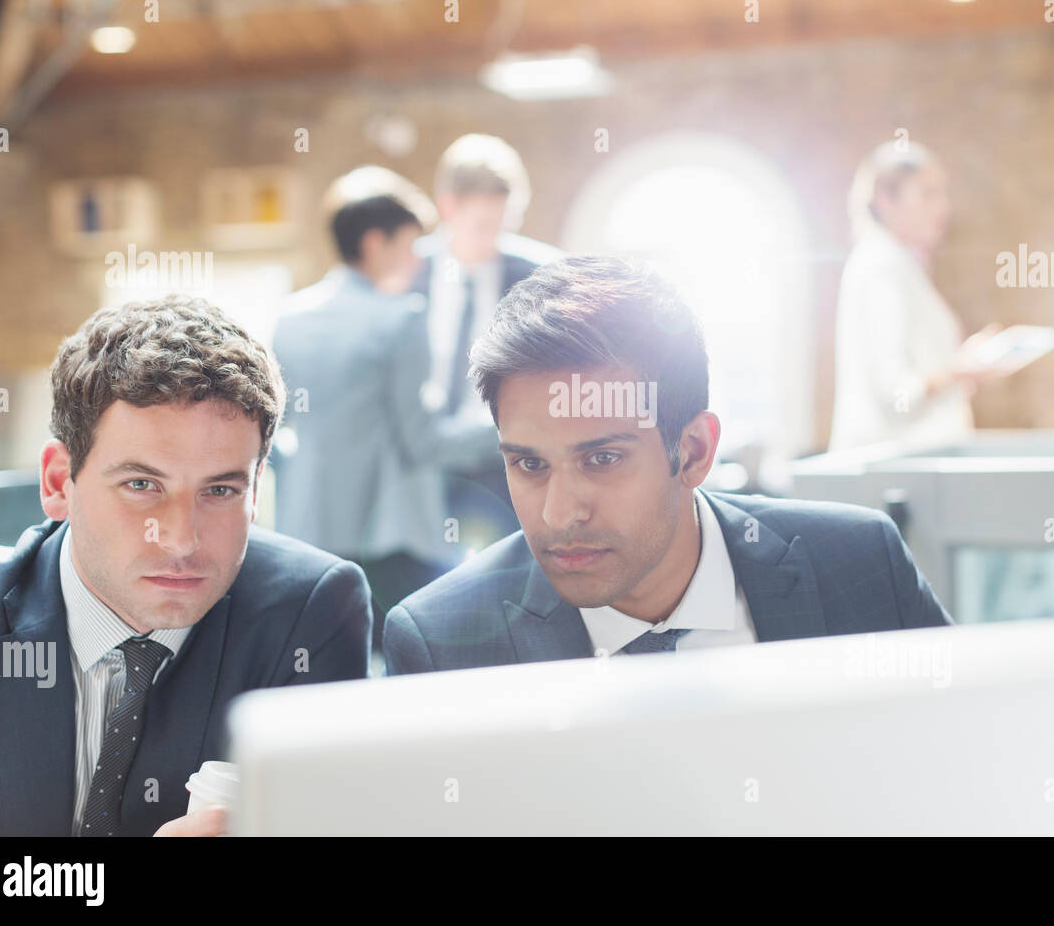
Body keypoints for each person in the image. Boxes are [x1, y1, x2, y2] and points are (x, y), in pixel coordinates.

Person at [383, 257, 952, 675]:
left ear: (696, 452)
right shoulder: (441, 642)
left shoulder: (859, 566)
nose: (558, 514)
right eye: (530, 464)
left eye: (602, 458)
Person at [0, 296, 371, 836]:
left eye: (220, 489)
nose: (181, 540)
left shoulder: (311, 613)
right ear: (59, 482)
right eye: (142, 485)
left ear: (256, 489)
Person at [271, 167, 495, 656]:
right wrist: (500, 428)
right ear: (376, 243)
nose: (418, 262)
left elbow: (277, 431)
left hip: (308, 532)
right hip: (389, 535)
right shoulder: (400, 320)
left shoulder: (289, 319)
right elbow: (424, 442)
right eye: (411, 246)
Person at [408, 134, 562, 549]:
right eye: (481, 225)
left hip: (503, 465)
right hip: (418, 467)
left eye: (503, 224)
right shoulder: (401, 273)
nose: (493, 238)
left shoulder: (543, 276)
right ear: (447, 207)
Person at [829, 141, 1004, 452]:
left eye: (942, 194)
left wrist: (963, 370)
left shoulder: (901, 265)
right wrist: (960, 369)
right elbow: (895, 392)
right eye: (927, 194)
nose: (943, 207)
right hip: (894, 466)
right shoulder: (882, 266)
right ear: (886, 200)